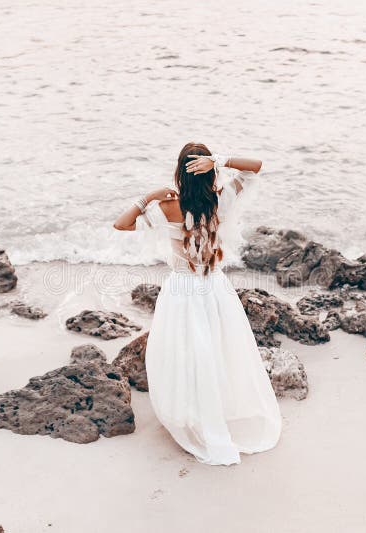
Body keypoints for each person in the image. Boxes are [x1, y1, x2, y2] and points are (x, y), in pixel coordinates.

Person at [113, 142, 281, 465]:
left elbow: (121, 224)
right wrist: (219, 160)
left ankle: (194, 415)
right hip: (214, 288)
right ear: (207, 172)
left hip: (182, 293)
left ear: (179, 174)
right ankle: (213, 411)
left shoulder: (166, 209)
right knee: (215, 352)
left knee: (188, 355)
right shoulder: (222, 200)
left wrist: (149, 196)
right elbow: (256, 166)